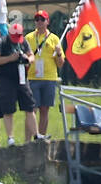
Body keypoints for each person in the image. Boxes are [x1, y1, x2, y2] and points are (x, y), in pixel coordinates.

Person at [25, 10, 64, 141]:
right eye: (37, 20)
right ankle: (27, 140)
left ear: (47, 22)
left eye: (42, 19)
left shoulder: (54, 39)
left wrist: (58, 53)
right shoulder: (29, 38)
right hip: (32, 77)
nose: (39, 22)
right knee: (32, 110)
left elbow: (60, 64)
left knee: (44, 109)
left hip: (49, 78)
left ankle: (40, 138)